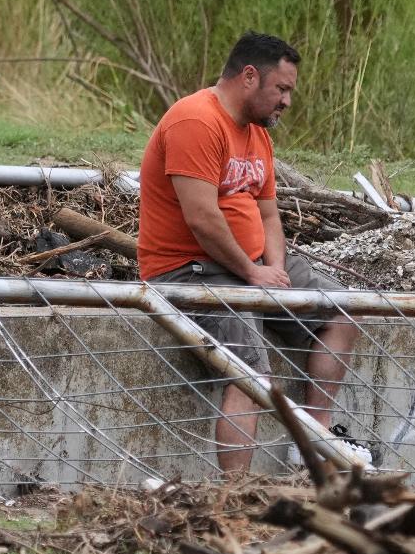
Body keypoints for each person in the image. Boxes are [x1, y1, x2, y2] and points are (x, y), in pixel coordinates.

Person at [137, 31, 359, 473]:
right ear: (249, 77)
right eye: (282, 89)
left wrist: (275, 269)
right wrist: (251, 274)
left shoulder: (257, 134)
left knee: (343, 315)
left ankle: (315, 440)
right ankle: (235, 498)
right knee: (251, 375)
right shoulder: (196, 122)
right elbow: (201, 218)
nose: (287, 102)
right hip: (190, 271)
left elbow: (269, 215)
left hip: (250, 266)